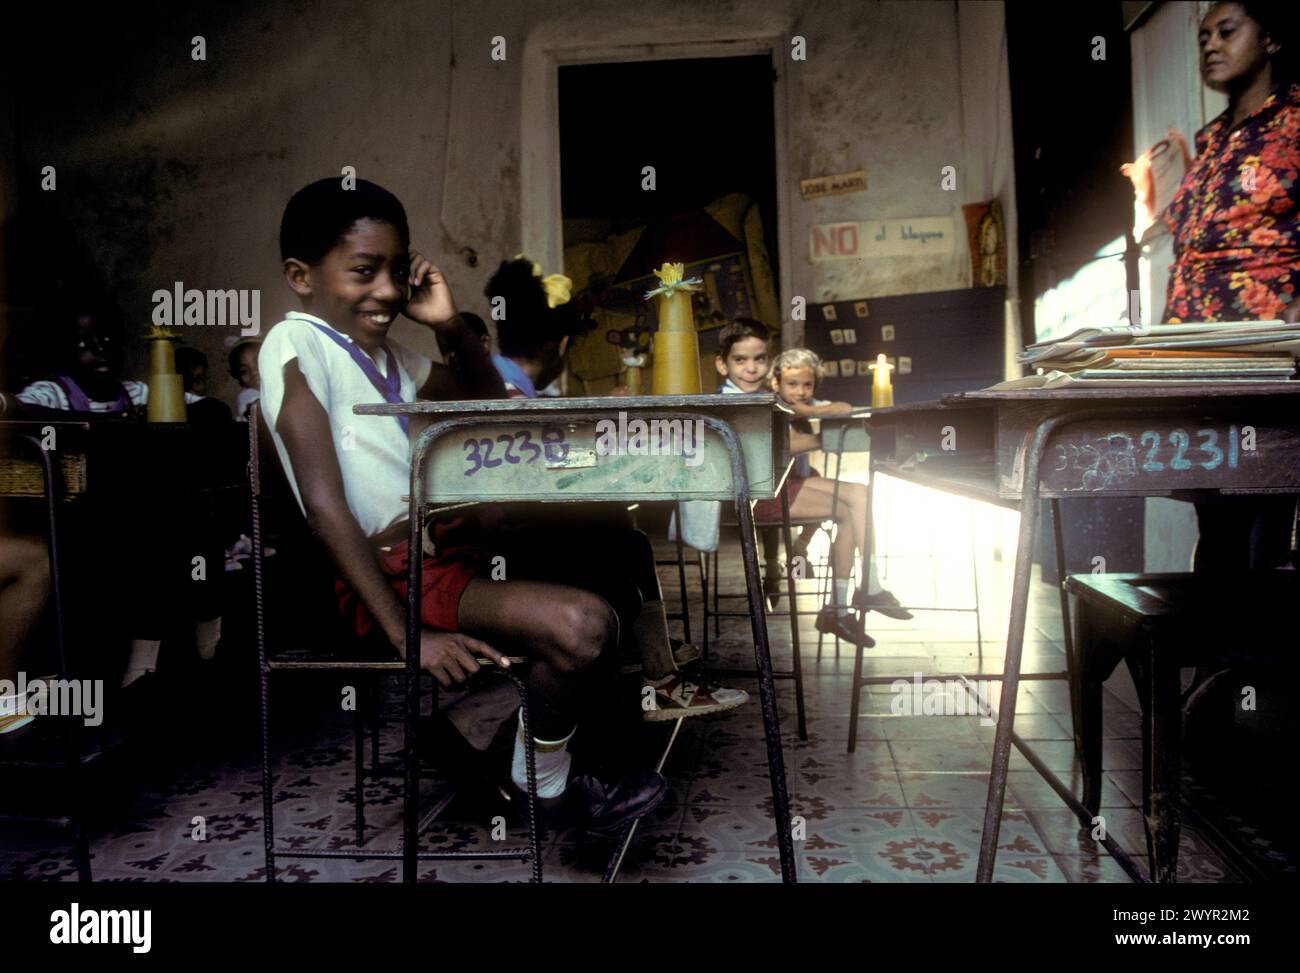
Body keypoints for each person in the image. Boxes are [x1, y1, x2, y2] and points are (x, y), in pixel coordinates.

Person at [259, 178, 665, 832]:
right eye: (364, 271)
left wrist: (448, 323)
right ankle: (544, 782)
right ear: (300, 276)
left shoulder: (391, 356)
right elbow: (325, 508)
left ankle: (486, 736)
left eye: (397, 270)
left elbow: (488, 407)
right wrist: (409, 634)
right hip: (387, 571)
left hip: (443, 551)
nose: (388, 290)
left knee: (611, 555)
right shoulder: (295, 343)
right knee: (581, 627)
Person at [478, 256, 749, 719]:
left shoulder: (494, 378)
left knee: (623, 537)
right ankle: (657, 675)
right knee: (623, 546)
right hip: (494, 552)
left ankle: (656, 668)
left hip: (490, 541)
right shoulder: (509, 391)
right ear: (560, 345)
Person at [1164, 1, 1300, 571]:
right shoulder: (1212, 139)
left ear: (1269, 40)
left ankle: (1253, 657)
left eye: (1227, 32)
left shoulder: (1294, 123)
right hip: (1198, 361)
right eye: (1202, 38)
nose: (1211, 46)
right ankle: (1219, 656)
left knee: (1262, 521)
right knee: (1216, 516)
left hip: (1266, 361)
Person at [761, 349, 912, 649]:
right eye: (792, 384)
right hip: (765, 493)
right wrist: (818, 430)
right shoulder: (769, 405)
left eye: (807, 384)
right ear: (776, 384)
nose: (801, 391)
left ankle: (838, 609)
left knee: (853, 507)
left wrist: (810, 411)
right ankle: (867, 587)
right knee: (859, 495)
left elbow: (844, 407)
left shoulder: (802, 405)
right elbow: (785, 446)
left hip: (792, 485)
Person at [228, 338, 263, 419]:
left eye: (258, 362)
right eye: (244, 371)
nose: (254, 372)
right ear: (237, 376)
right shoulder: (247, 396)